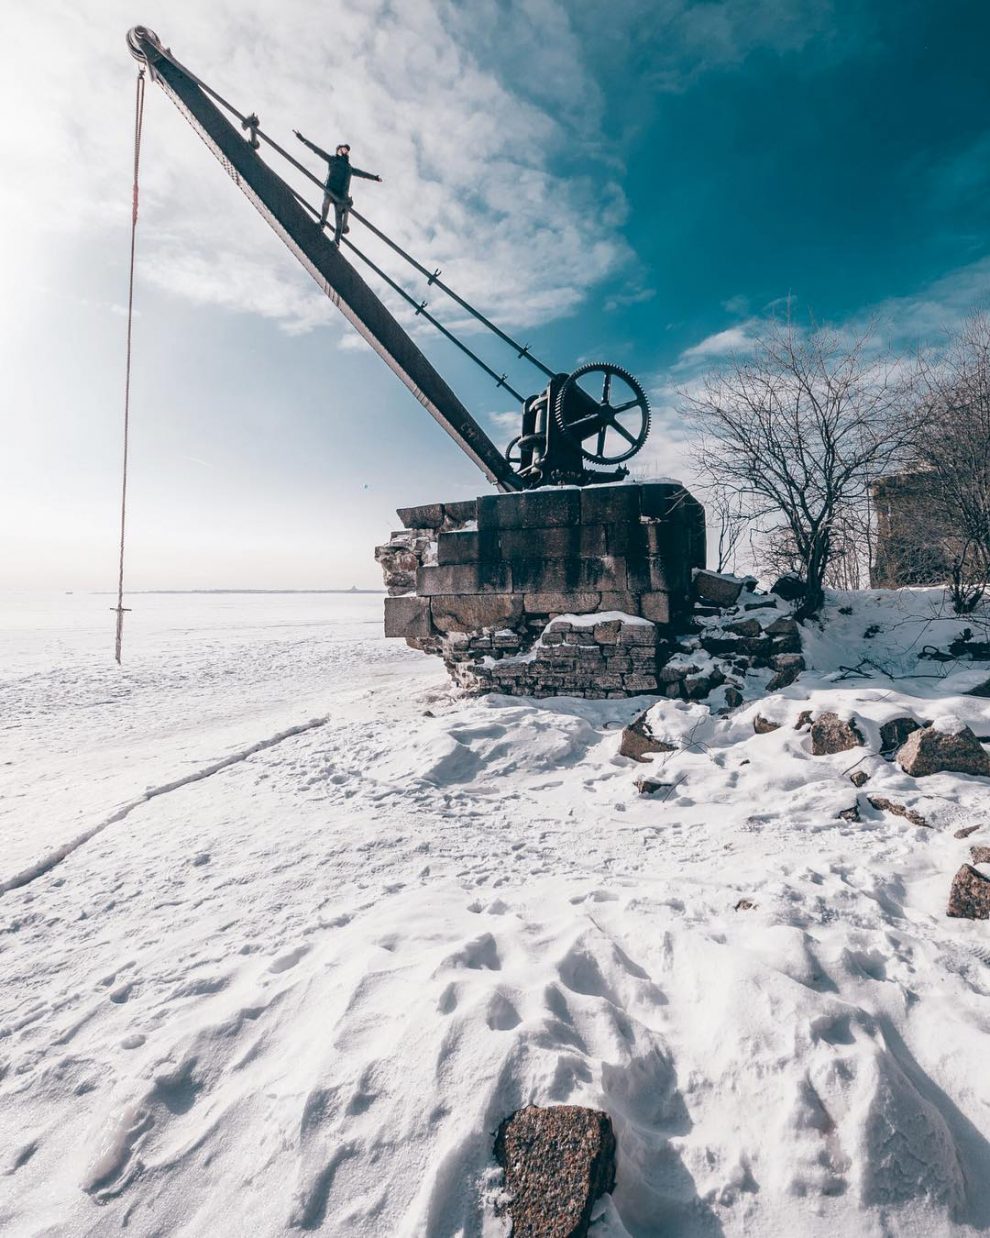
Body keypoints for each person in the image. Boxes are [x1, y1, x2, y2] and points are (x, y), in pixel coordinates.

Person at [293, 132, 382, 245]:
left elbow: (362, 174)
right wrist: (303, 139)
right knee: (326, 202)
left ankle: (336, 241)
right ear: (338, 150)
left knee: (338, 218)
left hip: (341, 195)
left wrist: (374, 178)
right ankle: (322, 223)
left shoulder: (349, 168)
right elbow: (317, 150)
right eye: (343, 149)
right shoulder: (332, 160)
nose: (345, 150)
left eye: (346, 149)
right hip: (330, 188)